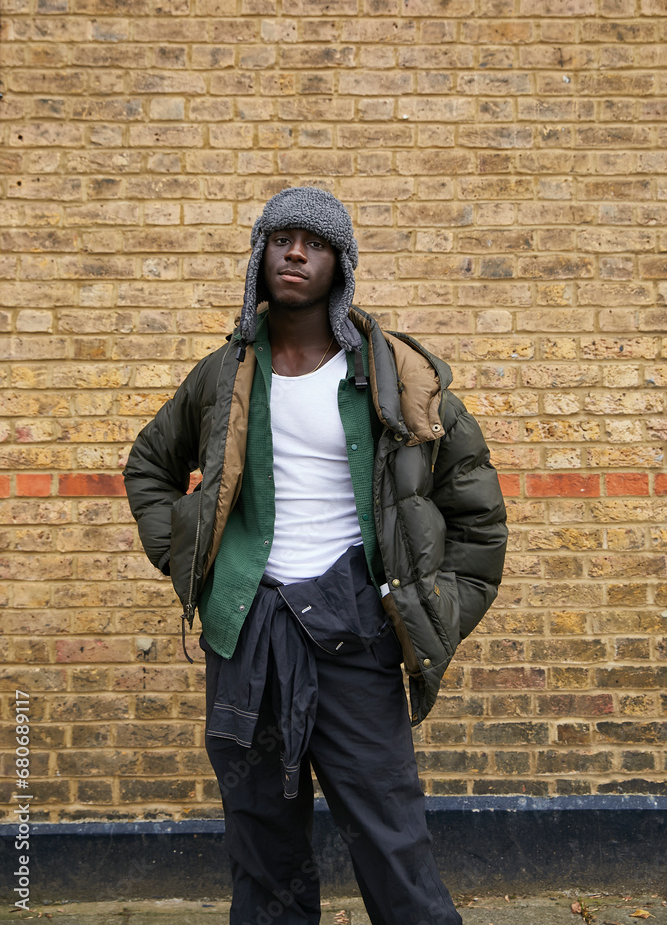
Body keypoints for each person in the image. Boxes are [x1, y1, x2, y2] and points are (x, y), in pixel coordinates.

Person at [124, 186, 508, 925]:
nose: (295, 252)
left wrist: (437, 607)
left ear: (341, 265)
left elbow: (476, 514)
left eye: (315, 242)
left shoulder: (398, 377)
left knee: (392, 839)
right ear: (260, 256)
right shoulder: (223, 375)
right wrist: (192, 561)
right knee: (262, 846)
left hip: (357, 631)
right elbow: (149, 465)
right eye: (281, 238)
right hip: (248, 631)